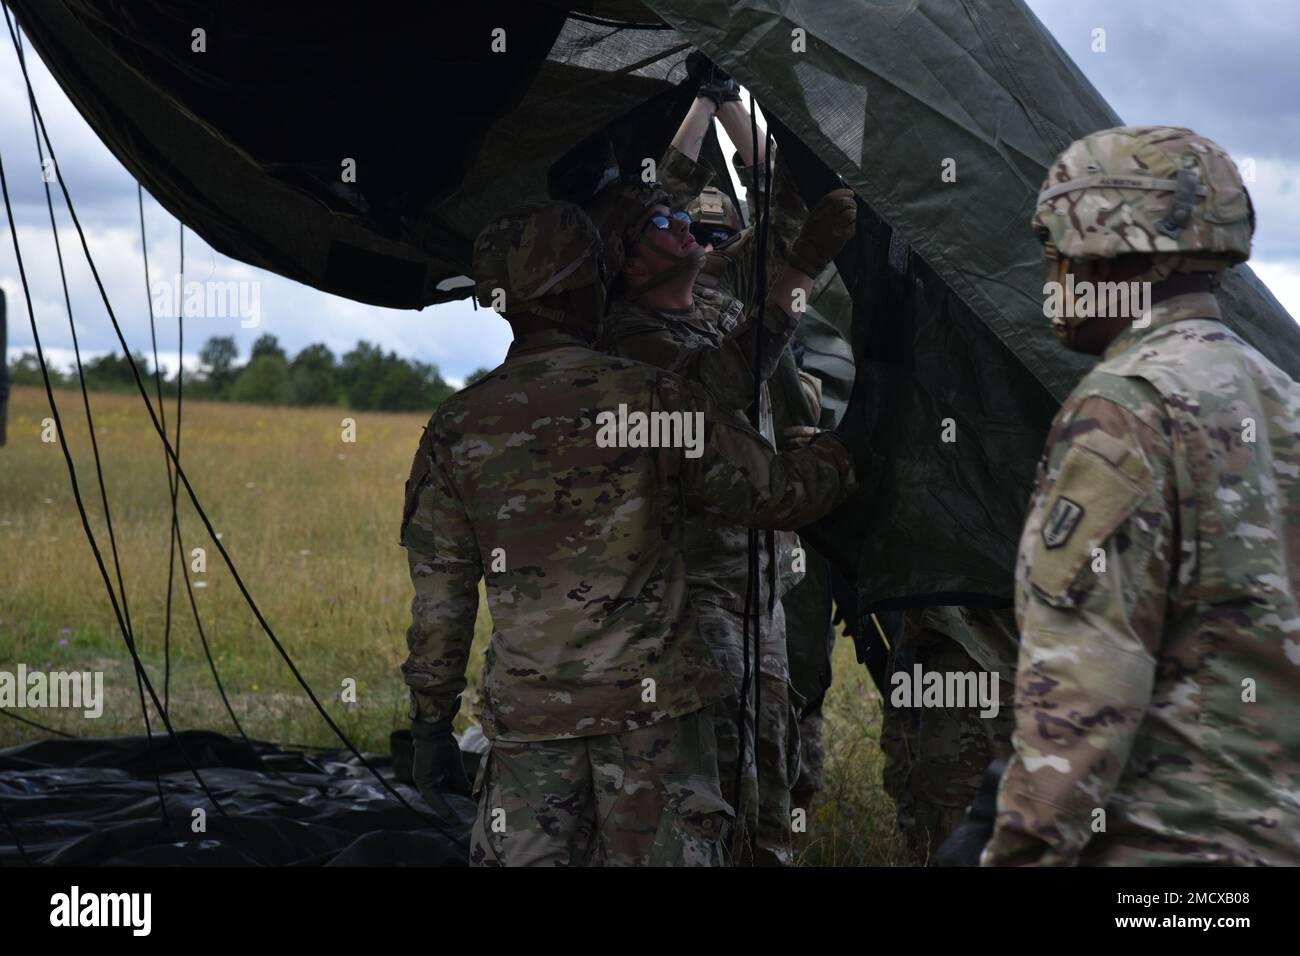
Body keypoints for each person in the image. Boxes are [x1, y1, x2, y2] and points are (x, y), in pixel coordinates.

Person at [400, 200, 858, 866]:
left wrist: (429, 724)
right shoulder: (652, 399)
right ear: (592, 284)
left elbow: (441, 600)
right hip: (657, 720)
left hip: (531, 726)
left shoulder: (459, 426)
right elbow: (777, 493)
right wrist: (841, 452)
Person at [983, 126, 1300, 866]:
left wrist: (1022, 849)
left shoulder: (1126, 407)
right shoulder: (1279, 397)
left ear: (1105, 250)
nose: (1051, 280)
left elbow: (1086, 684)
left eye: (1057, 254)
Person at [586, 85, 856, 861]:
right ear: (631, 263)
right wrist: (798, 274)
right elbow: (718, 387)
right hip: (689, 590)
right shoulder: (631, 338)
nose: (691, 226)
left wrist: (735, 102)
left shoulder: (710, 294)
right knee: (711, 778)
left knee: (770, 760)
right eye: (669, 226)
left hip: (756, 580)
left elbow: (791, 210)